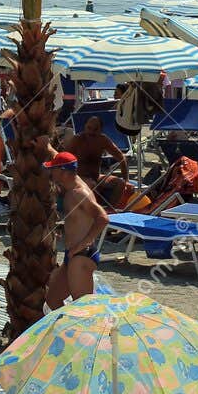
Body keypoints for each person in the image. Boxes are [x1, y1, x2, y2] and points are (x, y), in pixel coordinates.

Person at [44, 152, 109, 309]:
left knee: (84, 308)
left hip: (82, 255)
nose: (50, 172)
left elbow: (103, 218)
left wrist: (82, 245)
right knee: (52, 299)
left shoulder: (79, 193)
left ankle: (93, 333)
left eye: (53, 169)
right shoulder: (71, 186)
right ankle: (69, 331)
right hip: (72, 254)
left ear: (63, 172)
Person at [69, 115, 125, 186]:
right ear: (85, 127)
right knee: (91, 184)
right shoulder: (77, 140)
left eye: (95, 129)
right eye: (89, 128)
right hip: (79, 178)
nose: (92, 132)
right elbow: (63, 161)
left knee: (121, 184)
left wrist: (126, 180)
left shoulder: (103, 140)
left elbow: (122, 159)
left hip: (96, 178)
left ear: (101, 129)